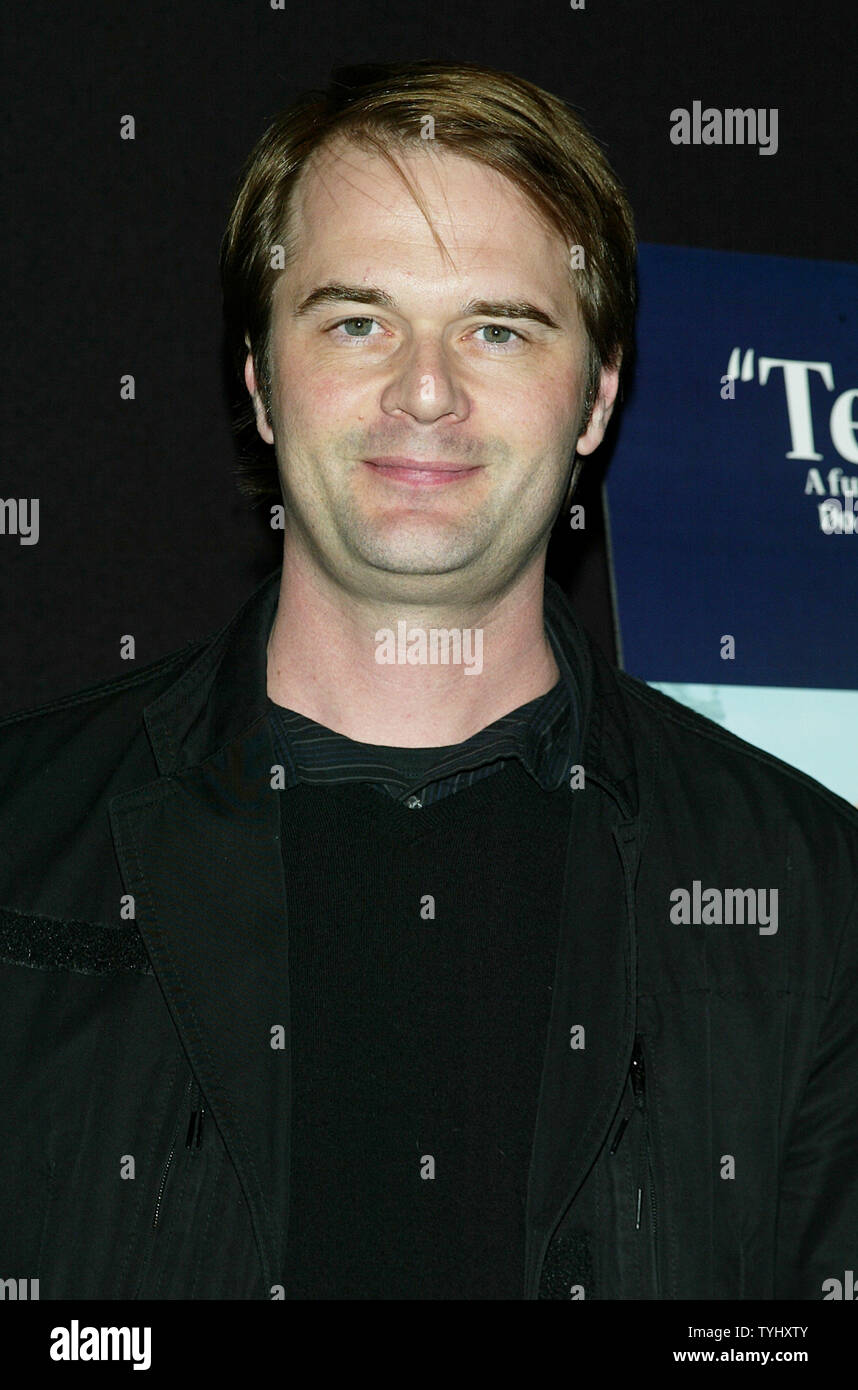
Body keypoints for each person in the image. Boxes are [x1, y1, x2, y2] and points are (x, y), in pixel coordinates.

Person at [1, 60, 855, 1301]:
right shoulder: (20, 836)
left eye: (497, 329)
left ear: (598, 396)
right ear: (258, 377)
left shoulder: (811, 897)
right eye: (358, 320)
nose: (426, 392)